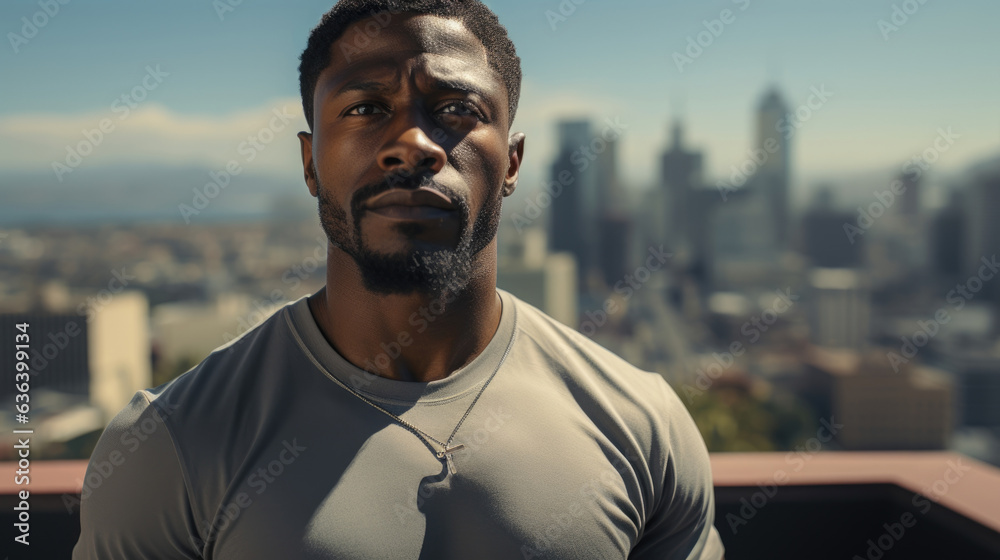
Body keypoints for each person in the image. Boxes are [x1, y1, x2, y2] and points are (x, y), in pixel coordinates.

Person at [73, 1, 725, 558]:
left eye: (456, 108)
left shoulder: (644, 426)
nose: (412, 141)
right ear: (309, 163)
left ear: (514, 162)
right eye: (364, 109)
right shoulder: (172, 443)